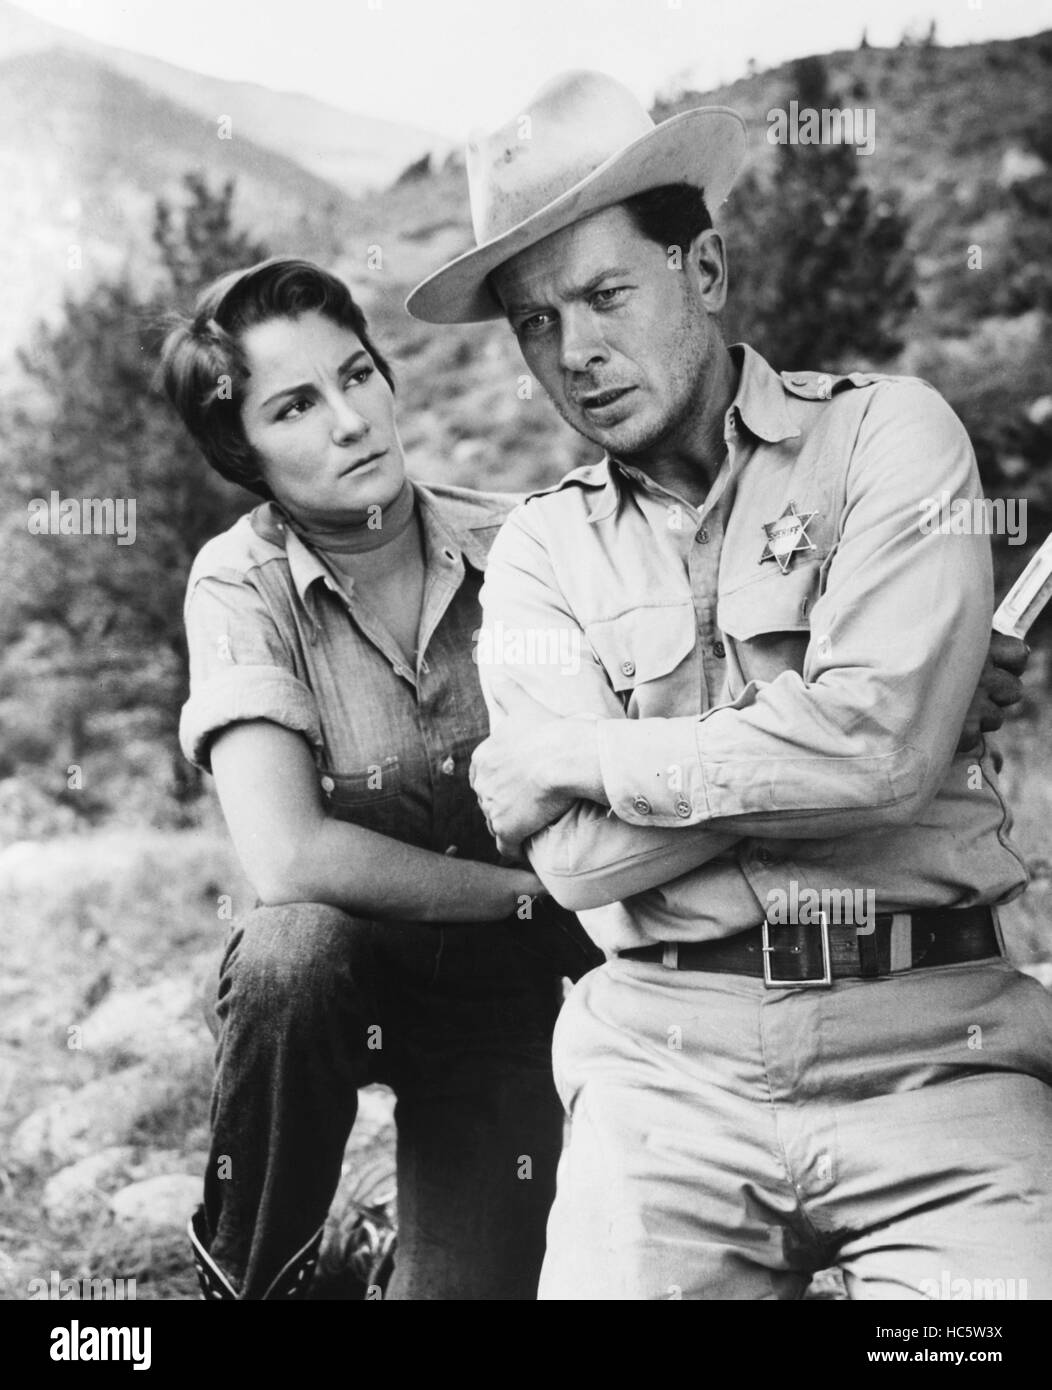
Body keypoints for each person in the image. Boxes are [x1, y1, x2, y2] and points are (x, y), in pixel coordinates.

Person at [406, 70, 1050, 1299]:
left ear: (700, 271)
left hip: (935, 1051)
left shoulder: (889, 437)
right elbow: (580, 868)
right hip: (662, 1068)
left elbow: (878, 755)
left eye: (602, 295)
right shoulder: (540, 549)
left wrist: (581, 758)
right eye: (535, 323)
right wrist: (849, 738)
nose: (575, 353)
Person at [159, 256, 600, 1301]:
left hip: (498, 1001)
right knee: (290, 953)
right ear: (242, 449)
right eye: (296, 406)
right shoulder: (240, 580)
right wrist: (528, 894)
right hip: (347, 975)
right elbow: (289, 851)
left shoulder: (523, 542)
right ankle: (256, 1278)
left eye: (357, 376)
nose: (350, 420)